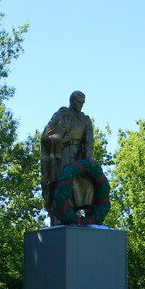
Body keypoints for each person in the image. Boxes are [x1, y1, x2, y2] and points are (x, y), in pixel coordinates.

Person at [40, 91, 95, 225]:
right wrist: (63, 139)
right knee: (61, 184)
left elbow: (89, 142)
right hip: (62, 155)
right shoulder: (60, 115)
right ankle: (58, 218)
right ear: (71, 101)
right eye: (78, 102)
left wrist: (89, 161)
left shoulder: (85, 120)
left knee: (87, 185)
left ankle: (90, 220)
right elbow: (46, 136)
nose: (80, 105)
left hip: (79, 156)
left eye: (83, 103)